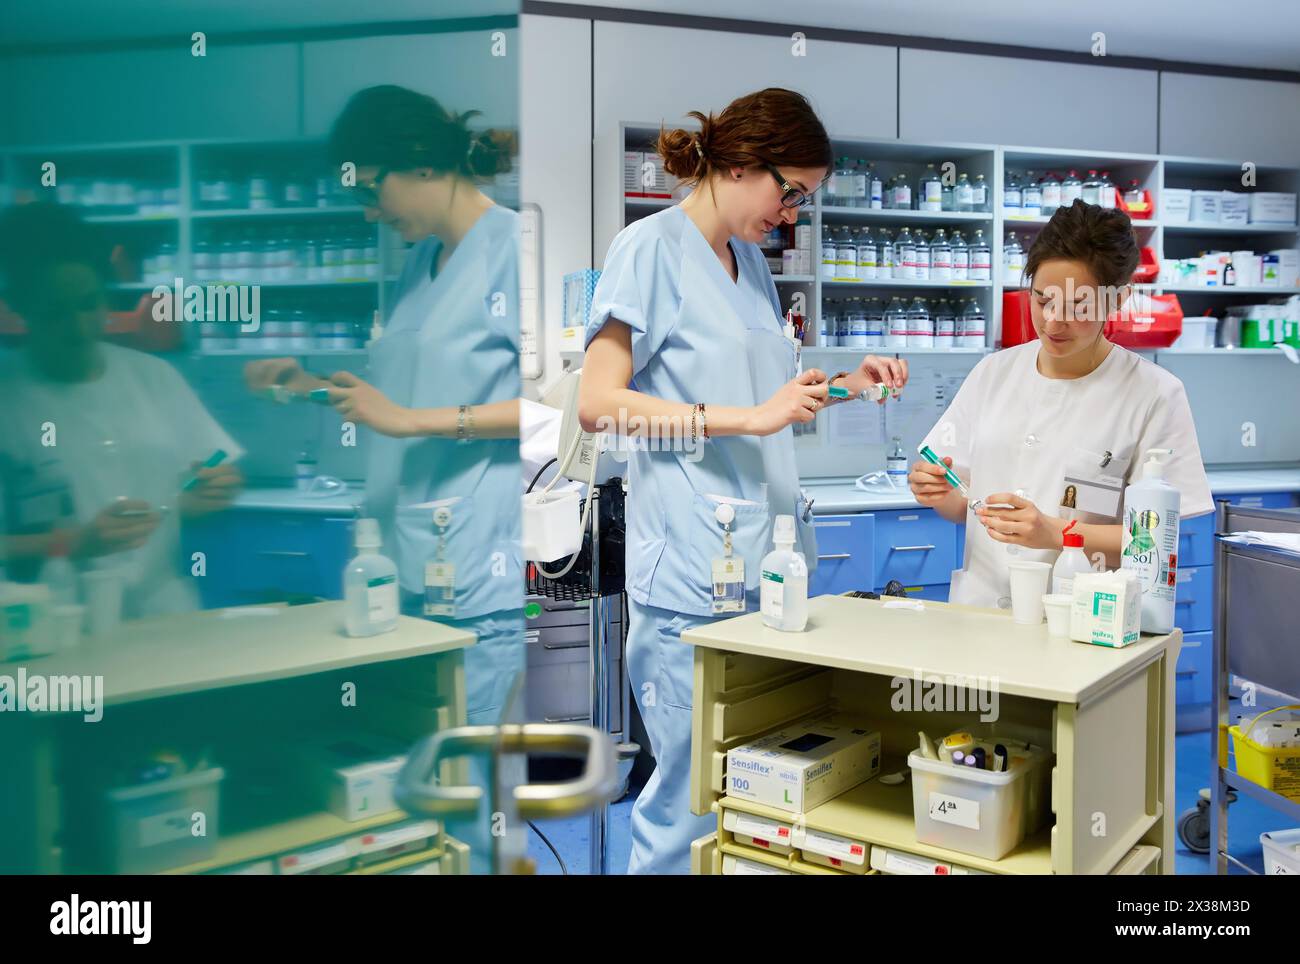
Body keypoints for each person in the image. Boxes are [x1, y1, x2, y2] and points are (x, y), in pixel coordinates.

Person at [578, 88, 908, 874]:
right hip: (693, 571)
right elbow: (600, 406)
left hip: (768, 563)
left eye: (803, 199)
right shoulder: (648, 249)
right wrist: (749, 419)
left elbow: (768, 401)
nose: (791, 212)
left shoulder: (752, 263)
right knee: (685, 798)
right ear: (736, 162)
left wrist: (846, 385)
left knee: (750, 794)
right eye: (787, 191)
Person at [243, 86, 525, 871]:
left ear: (424, 164)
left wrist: (409, 421)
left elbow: (554, 412)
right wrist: (308, 383)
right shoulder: (422, 263)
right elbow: (408, 396)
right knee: (415, 798)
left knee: (470, 807)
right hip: (403, 567)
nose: (370, 211)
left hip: (474, 570)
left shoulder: (513, 249)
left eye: (373, 189)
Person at [910, 199, 1213, 608]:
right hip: (978, 615)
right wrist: (937, 492)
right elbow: (963, 505)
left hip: (1085, 623)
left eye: (1077, 306)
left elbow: (1155, 541)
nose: (1053, 320)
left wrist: (1055, 533)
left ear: (1118, 299)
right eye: (1042, 299)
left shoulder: (1155, 394)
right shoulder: (992, 374)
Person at [0, 202, 243, 618]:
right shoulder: (10, 395)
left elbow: (212, 467)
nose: (78, 327)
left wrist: (215, 485)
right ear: (19, 307)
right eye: (55, 312)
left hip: (163, 615)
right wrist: (70, 544)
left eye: (89, 304)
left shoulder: (153, 377)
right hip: (49, 628)